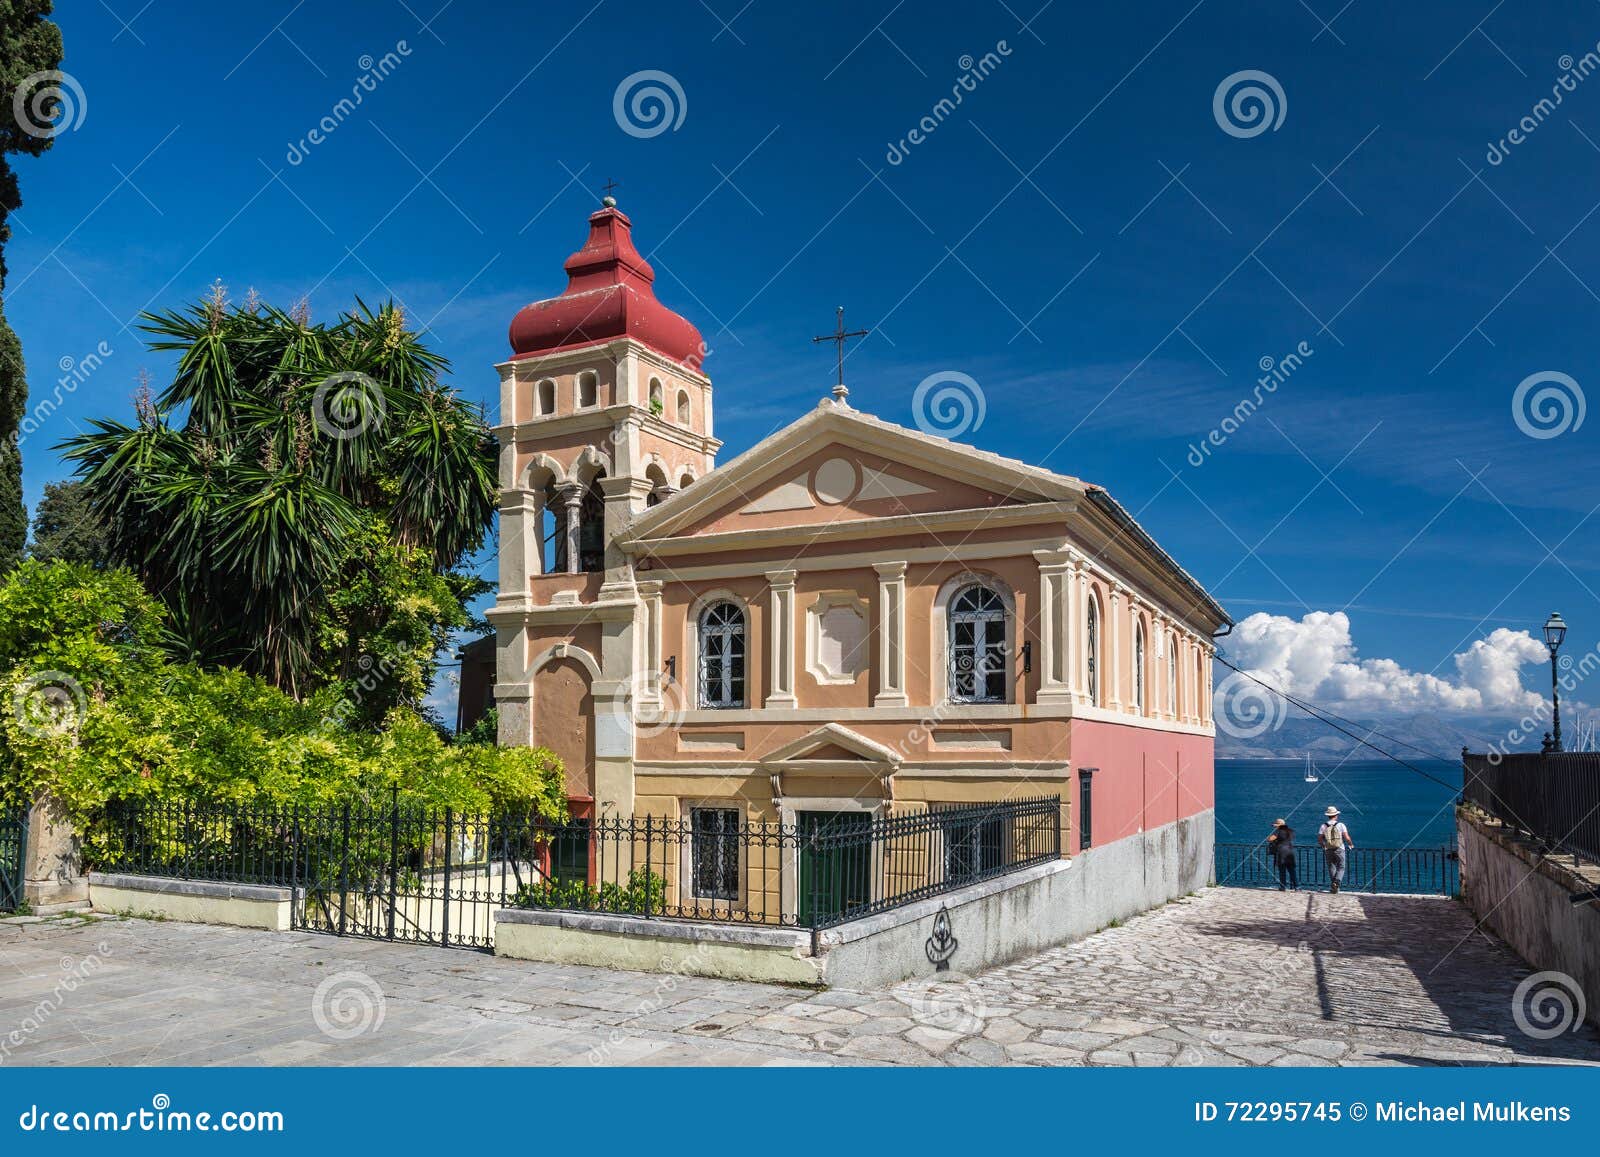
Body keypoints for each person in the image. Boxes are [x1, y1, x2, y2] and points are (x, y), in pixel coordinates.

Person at [1319, 805, 1352, 893]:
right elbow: (1347, 838)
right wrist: (1351, 845)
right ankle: (1336, 883)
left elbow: (1319, 839)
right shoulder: (1341, 825)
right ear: (1336, 815)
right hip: (1339, 848)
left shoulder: (1323, 826)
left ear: (1328, 815)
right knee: (1341, 867)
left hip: (1328, 848)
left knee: (1331, 867)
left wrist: (1324, 846)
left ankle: (1334, 887)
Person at [1267, 818, 1297, 891]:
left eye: (1276, 825)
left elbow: (1270, 839)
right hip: (1290, 851)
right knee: (1292, 870)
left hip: (1281, 851)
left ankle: (1282, 887)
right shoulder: (1291, 831)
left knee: (1282, 870)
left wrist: (1272, 835)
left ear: (1279, 825)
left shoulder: (1278, 831)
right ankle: (1296, 886)